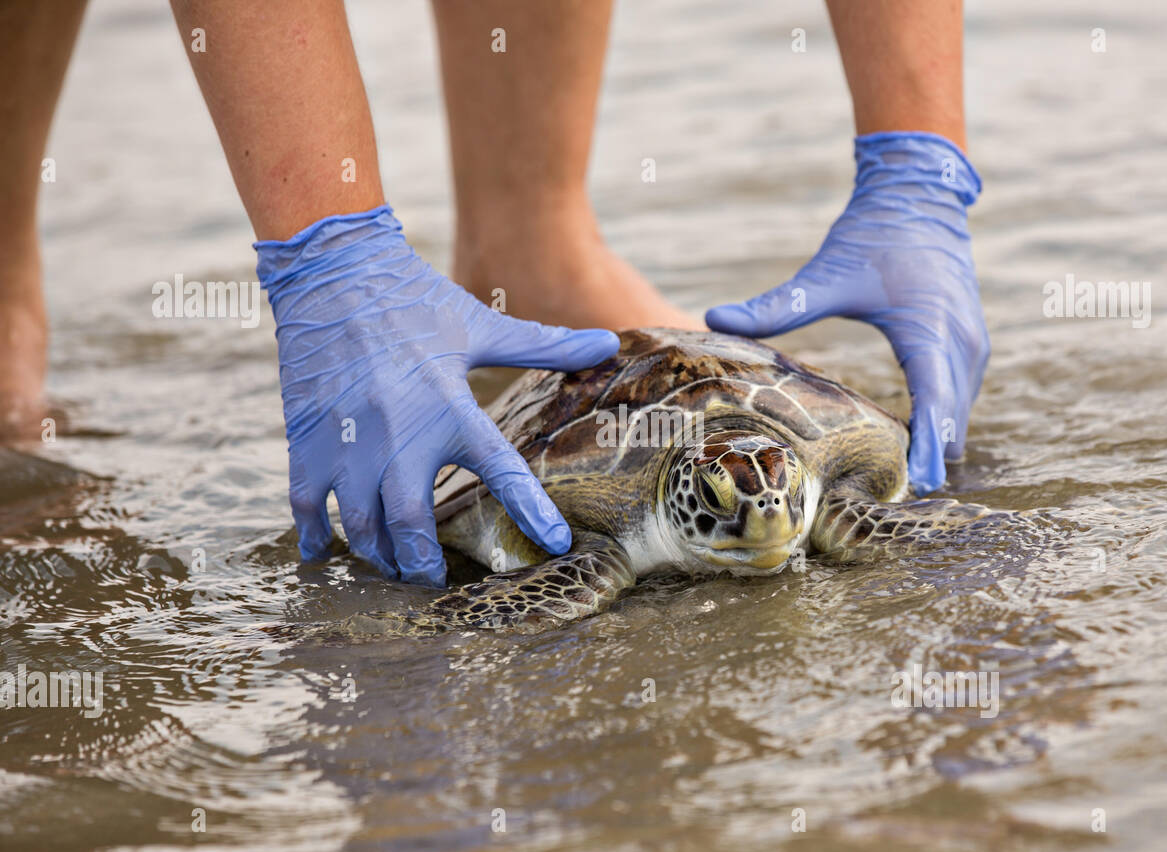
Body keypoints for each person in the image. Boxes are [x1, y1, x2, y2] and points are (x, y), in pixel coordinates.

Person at [0, 0, 987, 588]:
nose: (775, 523)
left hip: (723, 416)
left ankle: (533, 237)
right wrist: (327, 254)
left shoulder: (798, 492)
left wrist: (918, 159)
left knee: (538, 254)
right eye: (739, 503)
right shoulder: (621, 526)